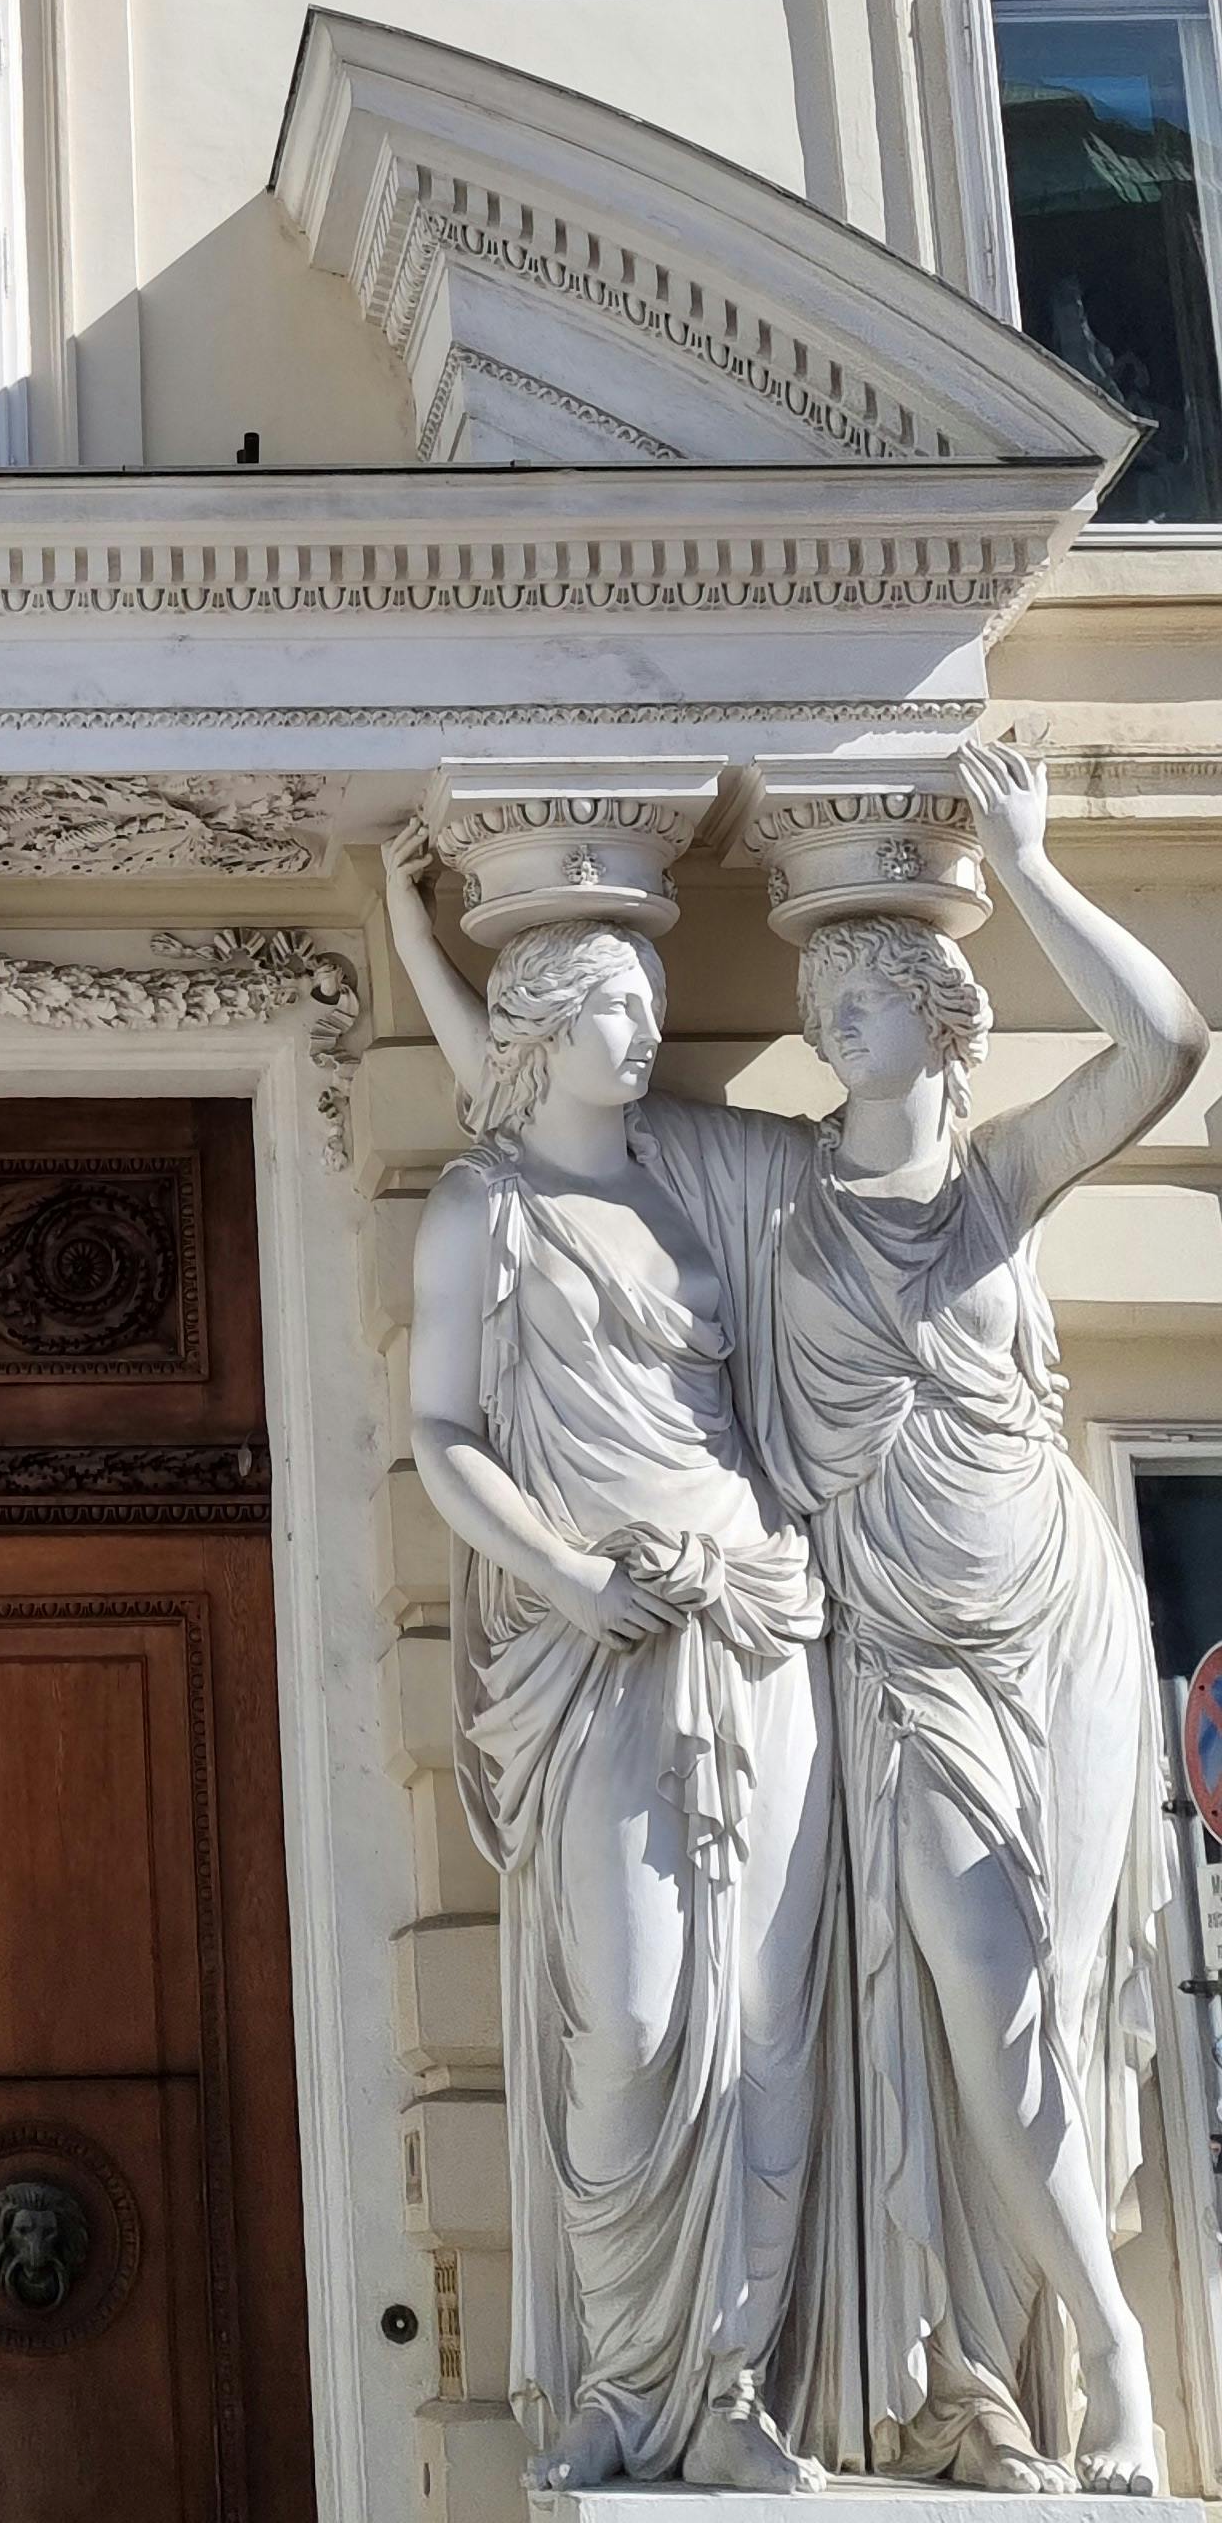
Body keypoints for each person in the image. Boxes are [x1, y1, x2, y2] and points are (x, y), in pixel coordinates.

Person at [703, 743, 1206, 2495]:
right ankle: (1107, 2355)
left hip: (1051, 1621)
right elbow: (566, 1128)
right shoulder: (771, 1197)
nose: (836, 1008)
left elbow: (1164, 1048)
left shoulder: (997, 1183)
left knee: (1054, 2009)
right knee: (983, 2002)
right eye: (824, 989)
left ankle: (1086, 2367)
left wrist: (1030, 859)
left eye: (868, 988)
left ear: (944, 1020)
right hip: (902, 1663)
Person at [386, 839, 849, 2497]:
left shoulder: (705, 1176)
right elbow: (440, 1437)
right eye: (609, 1004)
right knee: (639, 2023)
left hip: (753, 1617)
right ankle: (623, 2378)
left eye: (653, 996)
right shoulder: (480, 1207)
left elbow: (874, 1165)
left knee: (769, 2025)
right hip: (597, 1640)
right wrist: (572, 1577)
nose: (645, 1026)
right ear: (544, 1028)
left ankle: (734, 2388)